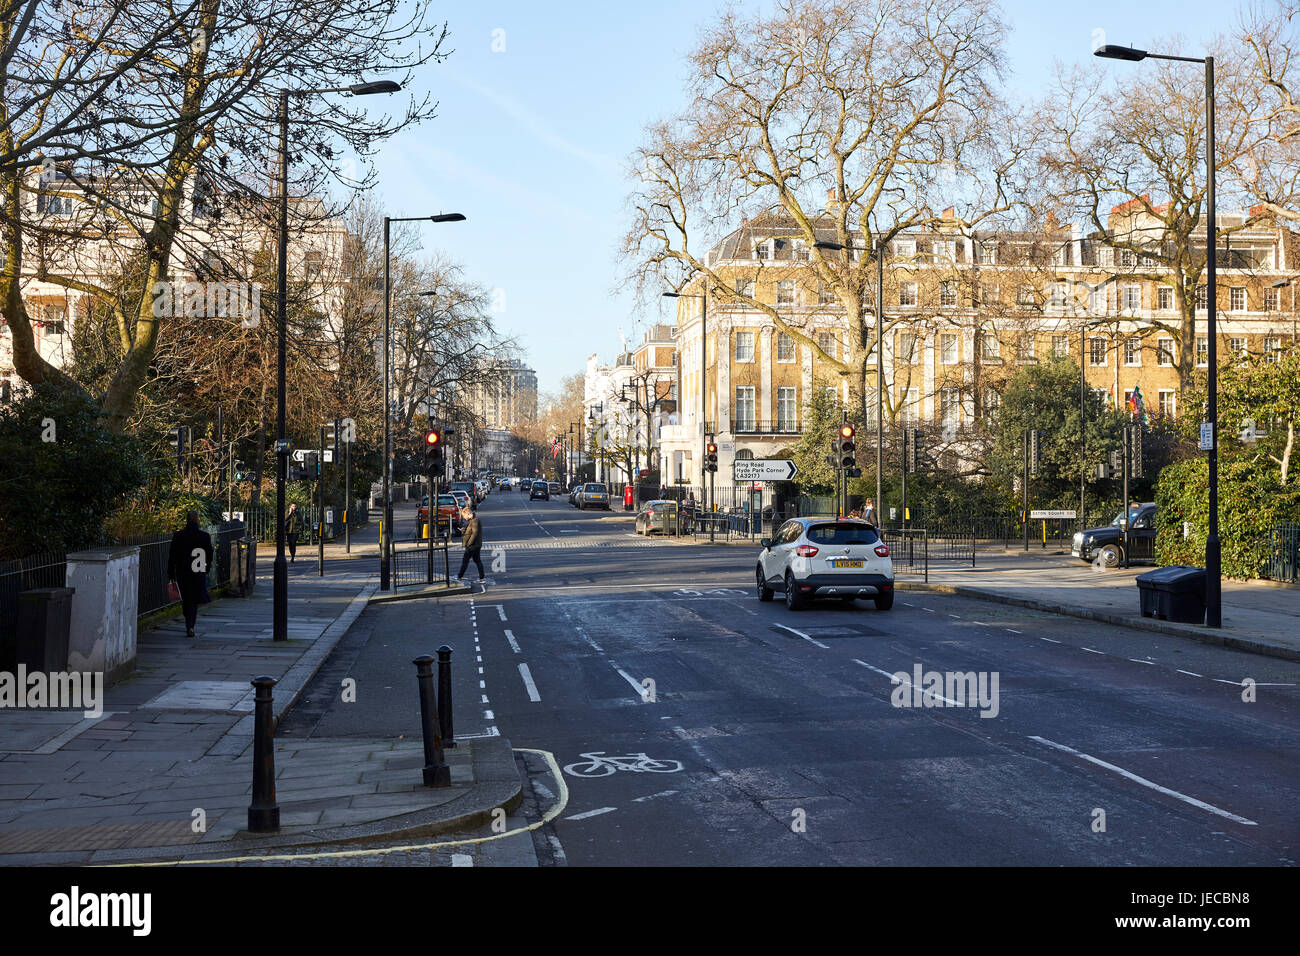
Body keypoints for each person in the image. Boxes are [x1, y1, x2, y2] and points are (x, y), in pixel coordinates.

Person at [167, 510, 214, 638]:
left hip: (183, 571)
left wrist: (171, 572)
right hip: (198, 570)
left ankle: (188, 621)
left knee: (187, 598)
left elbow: (172, 556)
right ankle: (191, 625)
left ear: (187, 520)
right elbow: (209, 554)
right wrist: (207, 567)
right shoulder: (204, 536)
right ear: (197, 520)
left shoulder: (179, 535)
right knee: (193, 599)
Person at [456, 507, 485, 583]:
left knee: (465, 561)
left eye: (464, 516)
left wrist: (468, 544)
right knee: (477, 561)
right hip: (475, 545)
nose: (464, 518)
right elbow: (471, 531)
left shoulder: (475, 520)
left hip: (472, 546)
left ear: (468, 514)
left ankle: (459, 576)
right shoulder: (472, 520)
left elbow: (475, 534)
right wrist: (464, 530)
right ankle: (482, 577)